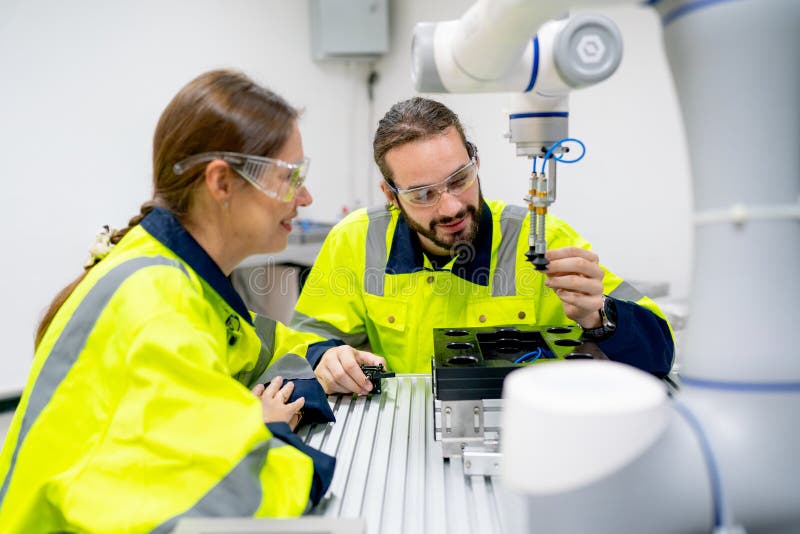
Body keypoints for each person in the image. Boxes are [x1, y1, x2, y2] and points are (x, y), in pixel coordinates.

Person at [0, 70, 381, 532]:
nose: (305, 197)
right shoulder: (157, 306)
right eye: (289, 177)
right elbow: (234, 500)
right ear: (221, 183)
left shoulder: (176, 275)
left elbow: (255, 345)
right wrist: (267, 431)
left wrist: (322, 355)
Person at [292, 97, 674, 392]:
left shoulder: (544, 237)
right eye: (423, 194)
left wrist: (600, 316)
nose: (451, 206)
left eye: (459, 179)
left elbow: (659, 353)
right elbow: (303, 338)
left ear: (476, 162)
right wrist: (325, 355)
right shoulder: (357, 240)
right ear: (391, 196)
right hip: (405, 434)